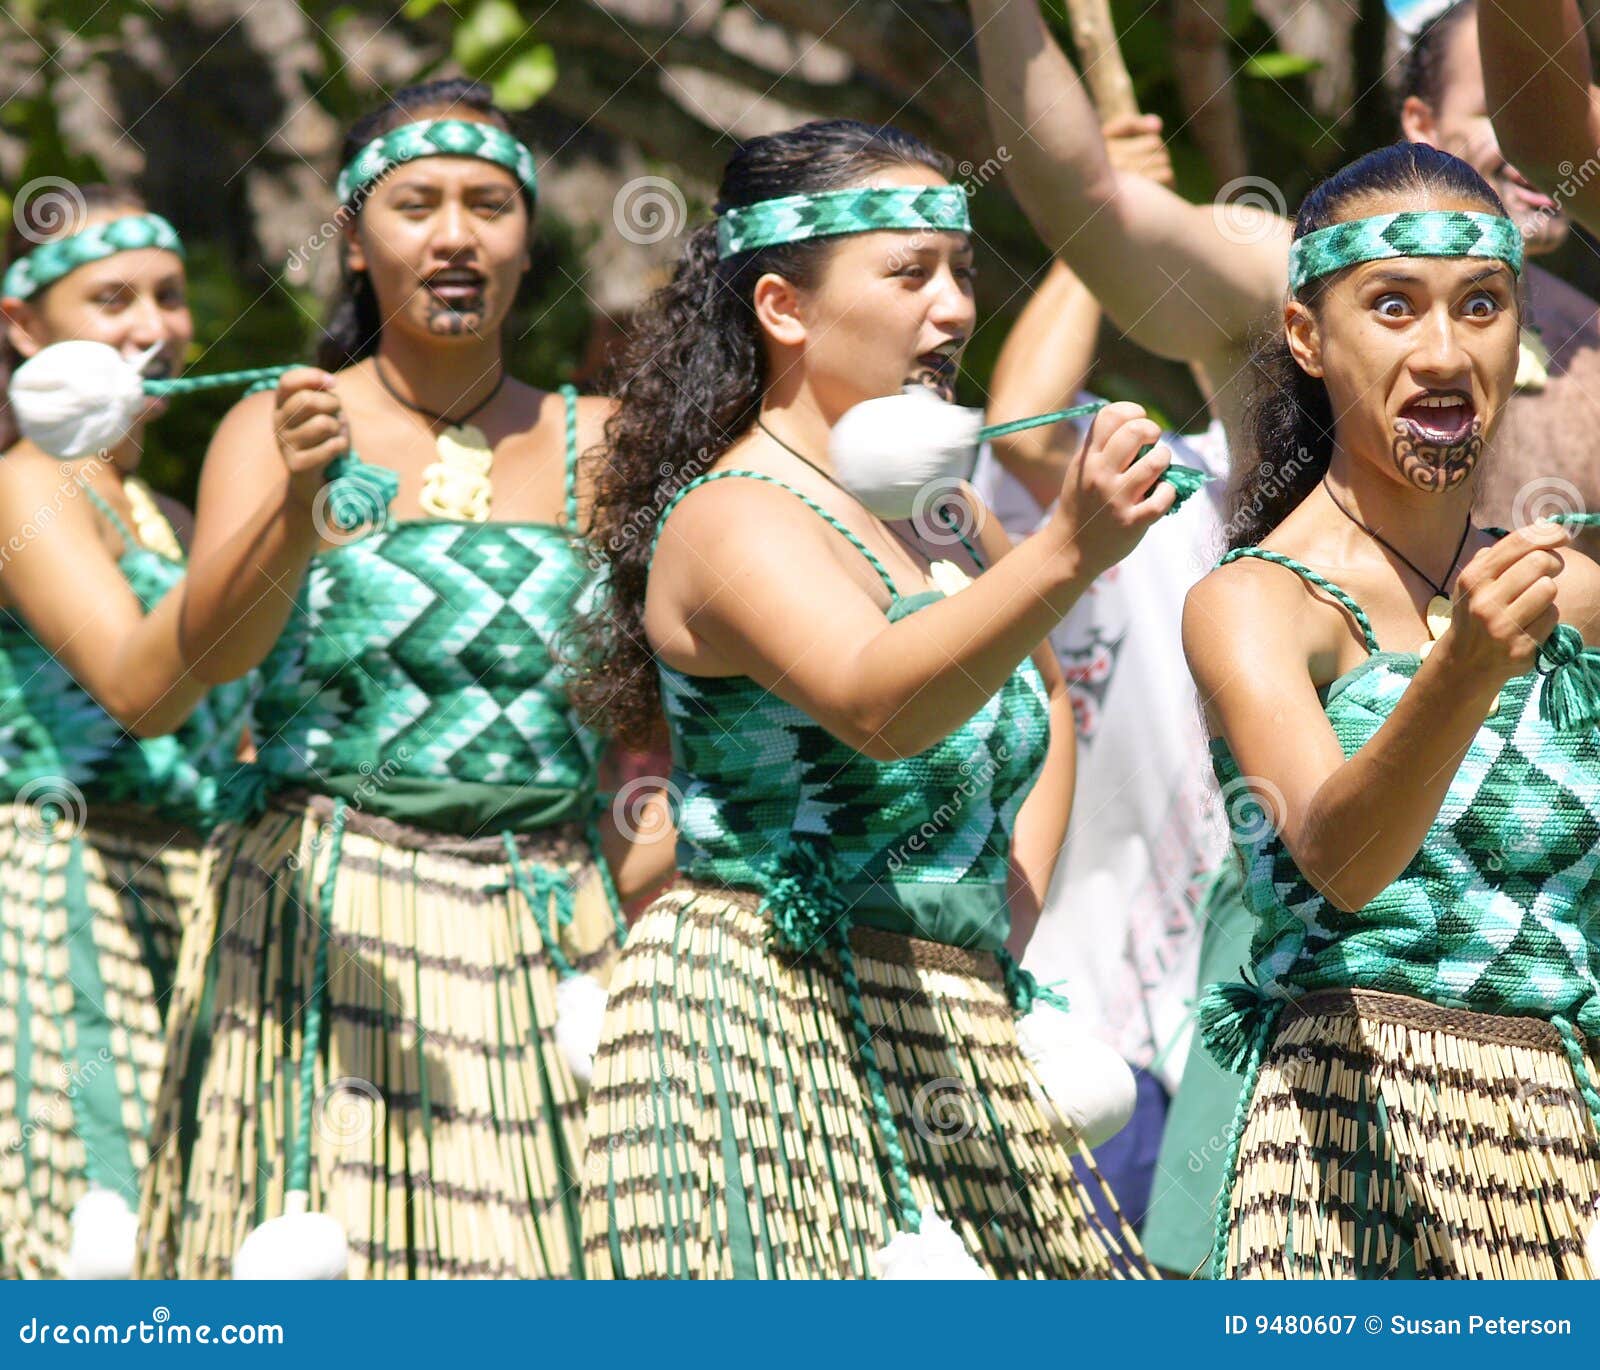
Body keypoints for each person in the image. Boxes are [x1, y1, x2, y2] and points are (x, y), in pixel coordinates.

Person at [573, 117, 1181, 1280]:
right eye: (908, 274)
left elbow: (1045, 696)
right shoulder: (729, 513)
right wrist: (1068, 552)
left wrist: (1004, 913)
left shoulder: (945, 511)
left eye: (959, 271)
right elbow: (872, 701)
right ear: (783, 308)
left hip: (953, 1023)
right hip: (765, 1031)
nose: (952, 309)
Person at [138, 79, 660, 1280]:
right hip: (323, 925)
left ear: (531, 240)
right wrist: (288, 506)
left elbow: (657, 723)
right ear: (355, 242)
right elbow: (193, 668)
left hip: (549, 929)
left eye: (488, 203)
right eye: (415, 203)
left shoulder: (607, 444)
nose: (455, 234)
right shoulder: (274, 426)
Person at [1186, 139, 1600, 1279]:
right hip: (1350, 1159)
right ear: (1308, 339)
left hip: (1566, 1165)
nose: (1442, 349)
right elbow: (1339, 855)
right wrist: (1459, 668)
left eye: (1480, 305)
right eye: (1391, 305)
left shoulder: (1573, 598)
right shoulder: (1253, 601)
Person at [969, 0, 1600, 547]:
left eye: (1564, 100)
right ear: (1421, 127)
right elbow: (1088, 202)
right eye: (1500, 109)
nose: (1541, 128)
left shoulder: (1590, 333)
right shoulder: (1307, 273)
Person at [0, 187, 254, 1277]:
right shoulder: (25, 486)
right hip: (65, 893)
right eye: (110, 298)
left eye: (167, 295)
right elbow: (131, 682)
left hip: (187, 900)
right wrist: (283, 515)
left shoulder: (175, 519)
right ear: (24, 329)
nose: (150, 325)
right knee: (84, 1235)